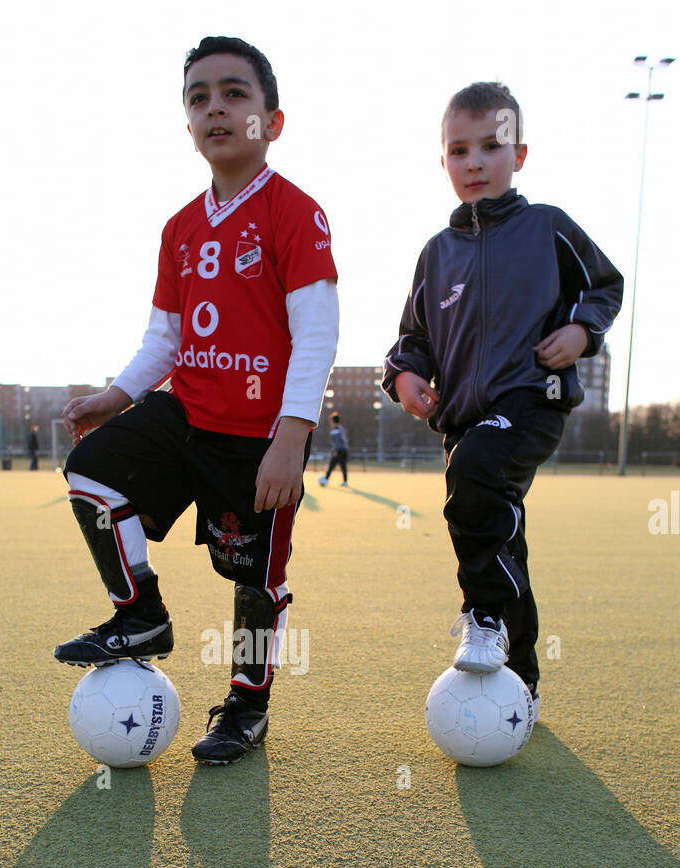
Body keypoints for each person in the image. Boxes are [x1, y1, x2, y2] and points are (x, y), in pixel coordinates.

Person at [56, 35, 339, 764]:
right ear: (187, 124)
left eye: (234, 93)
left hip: (255, 437)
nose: (215, 107)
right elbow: (166, 336)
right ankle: (140, 615)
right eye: (198, 96)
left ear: (272, 121)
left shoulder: (295, 214)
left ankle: (247, 706)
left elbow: (317, 334)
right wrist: (118, 396)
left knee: (256, 581)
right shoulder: (179, 229)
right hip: (186, 410)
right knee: (92, 467)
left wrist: (291, 437)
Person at [382, 81, 622, 717]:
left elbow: (604, 286)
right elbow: (411, 341)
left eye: (492, 146)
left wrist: (580, 330)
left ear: (519, 154)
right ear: (443, 163)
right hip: (464, 420)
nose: (475, 162)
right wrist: (406, 382)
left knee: (478, 473)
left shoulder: (547, 227)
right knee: (498, 533)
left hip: (532, 397)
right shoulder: (437, 253)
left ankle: (482, 613)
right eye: (459, 151)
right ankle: (523, 683)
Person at [318, 411, 349, 486]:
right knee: (342, 465)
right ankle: (345, 482)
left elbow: (337, 442)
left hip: (339, 450)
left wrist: (336, 451)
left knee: (332, 465)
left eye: (331, 421)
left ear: (332, 421)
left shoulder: (335, 430)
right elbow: (345, 440)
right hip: (344, 450)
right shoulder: (341, 429)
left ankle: (325, 479)